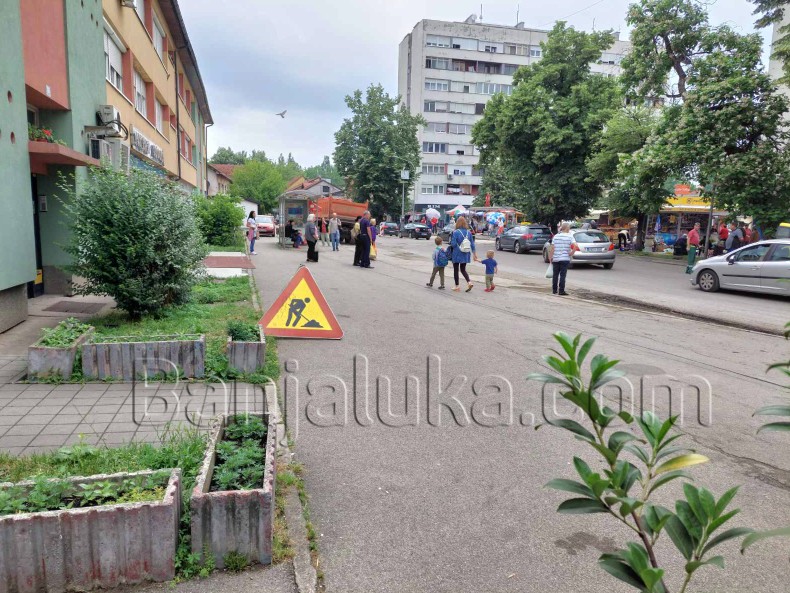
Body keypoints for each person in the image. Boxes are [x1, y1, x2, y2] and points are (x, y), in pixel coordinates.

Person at [549, 222, 578, 296]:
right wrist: (571, 253)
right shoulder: (570, 236)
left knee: (555, 275)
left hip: (556, 258)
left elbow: (552, 248)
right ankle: (561, 291)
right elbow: (575, 246)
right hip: (565, 259)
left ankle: (554, 290)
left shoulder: (556, 236)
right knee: (562, 275)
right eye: (569, 227)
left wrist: (550, 257)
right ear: (567, 228)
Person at [450, 216, 478, 292]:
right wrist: (475, 254)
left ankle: (457, 286)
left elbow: (453, 244)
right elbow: (472, 244)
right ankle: (469, 282)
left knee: (456, 270)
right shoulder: (468, 232)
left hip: (456, 253)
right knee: (463, 269)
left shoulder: (455, 232)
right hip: (465, 253)